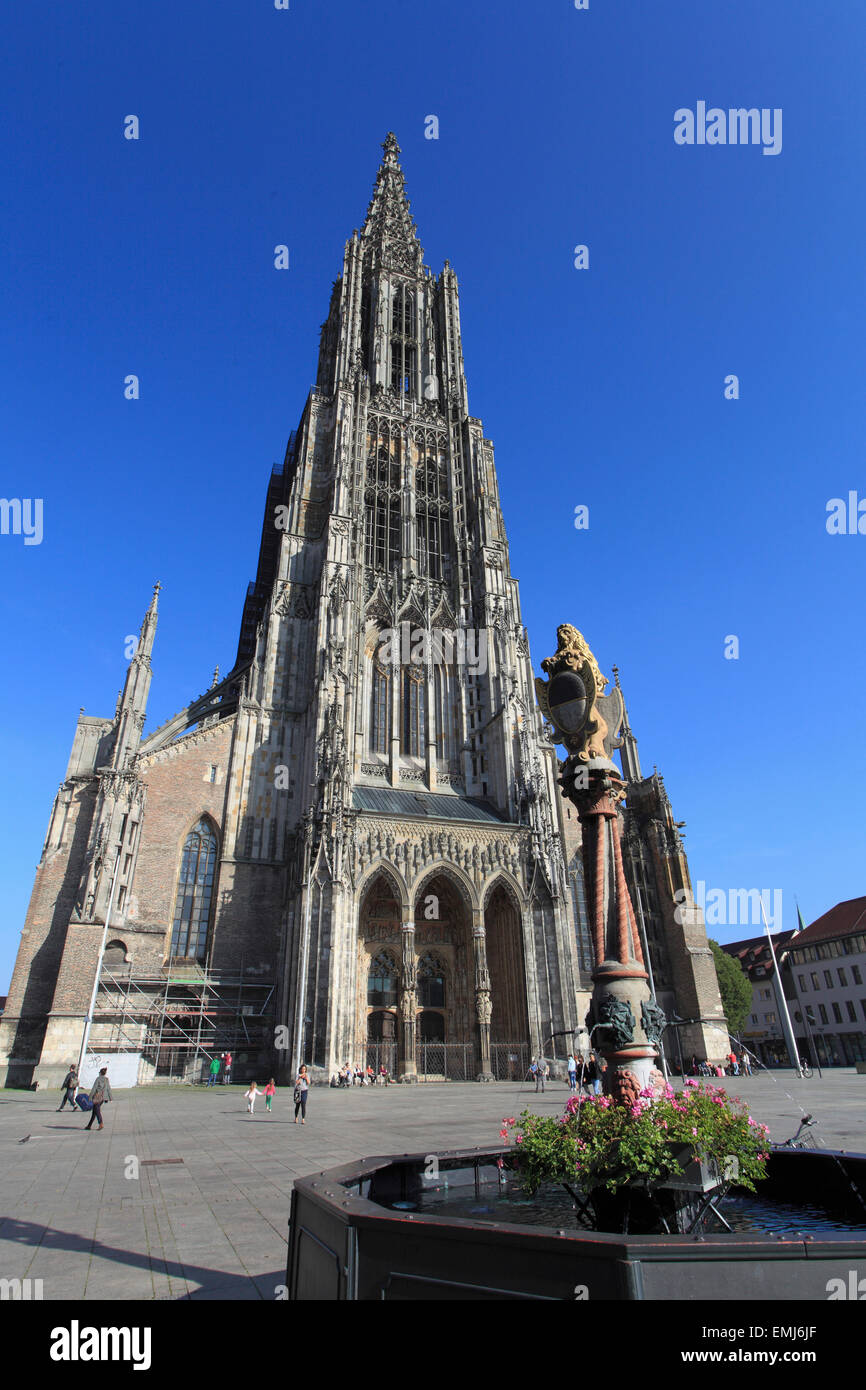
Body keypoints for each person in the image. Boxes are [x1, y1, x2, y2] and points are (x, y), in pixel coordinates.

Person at [85, 1068, 112, 1132]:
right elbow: (108, 1088)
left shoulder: (98, 1079)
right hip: (102, 1097)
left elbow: (94, 1088)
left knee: (97, 1110)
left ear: (100, 1073)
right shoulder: (106, 1079)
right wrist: (110, 1097)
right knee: (95, 1111)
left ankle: (100, 1123)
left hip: (97, 1097)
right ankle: (89, 1125)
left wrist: (90, 1097)